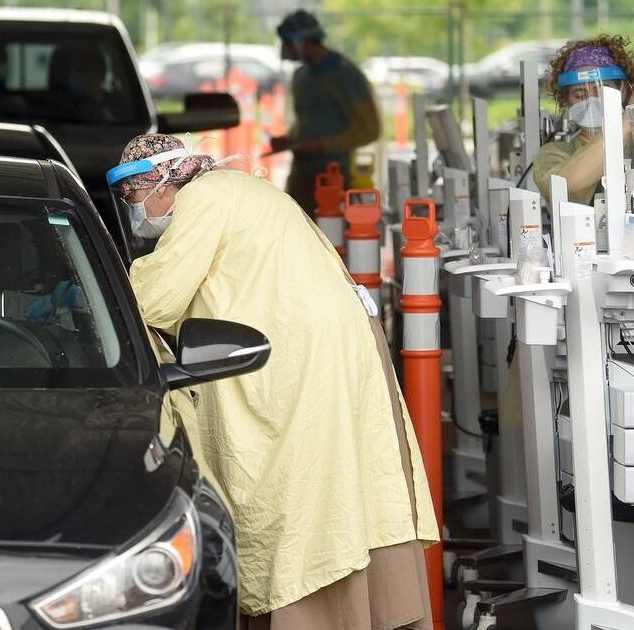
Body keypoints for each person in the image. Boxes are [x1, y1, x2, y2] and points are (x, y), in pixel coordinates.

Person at [110, 134, 438, 629]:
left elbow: (156, 297)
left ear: (160, 183)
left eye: (134, 197)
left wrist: (86, 300)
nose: (136, 213)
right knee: (341, 488)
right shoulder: (242, 189)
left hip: (300, 364)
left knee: (300, 497)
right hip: (329, 354)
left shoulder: (205, 197)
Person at [267, 9, 381, 216]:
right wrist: (290, 140)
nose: (283, 49)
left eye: (286, 42)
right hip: (301, 176)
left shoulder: (345, 75)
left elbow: (370, 130)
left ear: (303, 41)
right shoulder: (301, 76)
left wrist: (322, 146)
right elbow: (308, 120)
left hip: (335, 177)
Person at [534, 35, 634, 204]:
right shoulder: (551, 155)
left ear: (623, 90)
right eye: (580, 94)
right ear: (566, 101)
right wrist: (626, 120)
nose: (592, 101)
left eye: (601, 90)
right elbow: (568, 184)